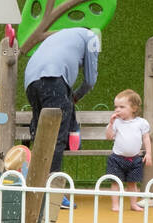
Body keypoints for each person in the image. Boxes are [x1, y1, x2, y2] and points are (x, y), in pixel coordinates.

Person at [23, 27, 101, 189]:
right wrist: (76, 96)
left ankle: (34, 186)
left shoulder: (64, 34)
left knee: (40, 134)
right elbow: (90, 81)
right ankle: (52, 191)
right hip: (53, 76)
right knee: (56, 135)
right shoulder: (92, 37)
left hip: (31, 81)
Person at [104, 89, 152, 212]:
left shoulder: (141, 123)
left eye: (122, 107)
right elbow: (109, 137)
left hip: (135, 159)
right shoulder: (117, 123)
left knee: (132, 183)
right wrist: (110, 123)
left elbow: (146, 138)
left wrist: (149, 154)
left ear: (134, 108)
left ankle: (133, 204)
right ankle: (115, 205)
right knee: (115, 182)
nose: (117, 110)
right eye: (116, 107)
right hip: (117, 158)